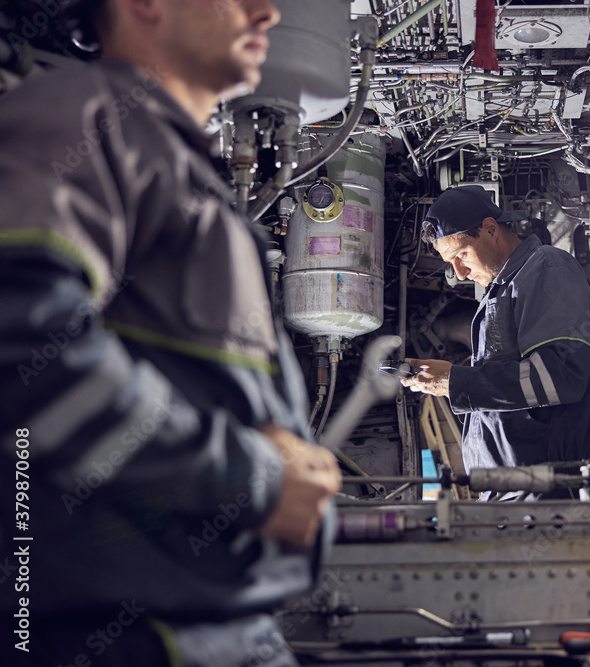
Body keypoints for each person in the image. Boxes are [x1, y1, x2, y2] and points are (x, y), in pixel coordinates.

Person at [0, 1, 341, 665]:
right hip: (130, 636)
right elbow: (23, 347)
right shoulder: (82, 114)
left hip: (208, 629)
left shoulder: (168, 160)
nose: (267, 10)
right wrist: (250, 478)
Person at [402, 185, 590, 496]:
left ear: (490, 229)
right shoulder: (505, 288)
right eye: (450, 262)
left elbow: (561, 376)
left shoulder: (546, 268)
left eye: (462, 254)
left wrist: (456, 383)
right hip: (504, 496)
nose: (461, 273)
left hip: (542, 494)